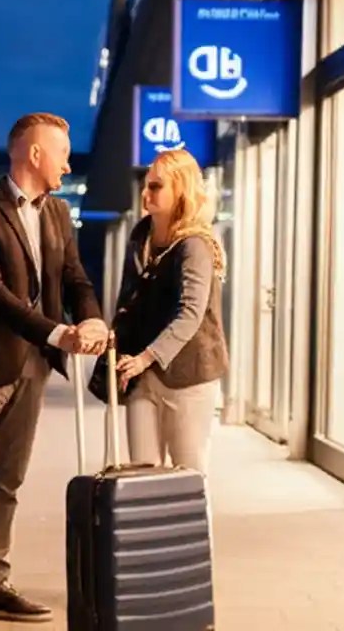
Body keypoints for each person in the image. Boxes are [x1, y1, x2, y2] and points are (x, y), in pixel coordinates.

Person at [0, 112, 107, 630]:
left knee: (8, 484)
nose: (68, 163)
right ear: (35, 154)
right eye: (62, 153)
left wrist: (93, 316)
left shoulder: (57, 213)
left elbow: (75, 278)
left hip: (32, 366)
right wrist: (58, 333)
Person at [111, 148, 228, 474]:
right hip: (141, 373)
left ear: (181, 188)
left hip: (189, 373)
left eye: (156, 186)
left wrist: (146, 357)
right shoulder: (141, 236)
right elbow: (129, 300)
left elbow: (191, 312)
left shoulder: (196, 244)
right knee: (140, 472)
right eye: (147, 185)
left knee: (188, 474)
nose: (146, 193)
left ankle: (191, 528)